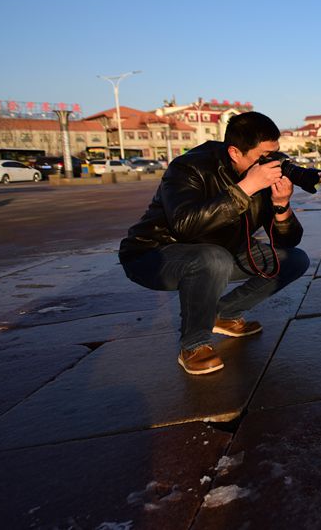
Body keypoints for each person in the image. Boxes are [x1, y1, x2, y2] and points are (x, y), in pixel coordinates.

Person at [119, 111, 310, 375]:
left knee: (295, 260)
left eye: (275, 153)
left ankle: (225, 314)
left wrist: (281, 206)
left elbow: (287, 242)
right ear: (234, 152)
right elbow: (185, 226)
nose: (272, 163)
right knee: (213, 259)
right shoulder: (188, 168)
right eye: (263, 157)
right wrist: (246, 188)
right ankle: (194, 345)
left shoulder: (261, 176)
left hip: (222, 251)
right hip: (155, 255)